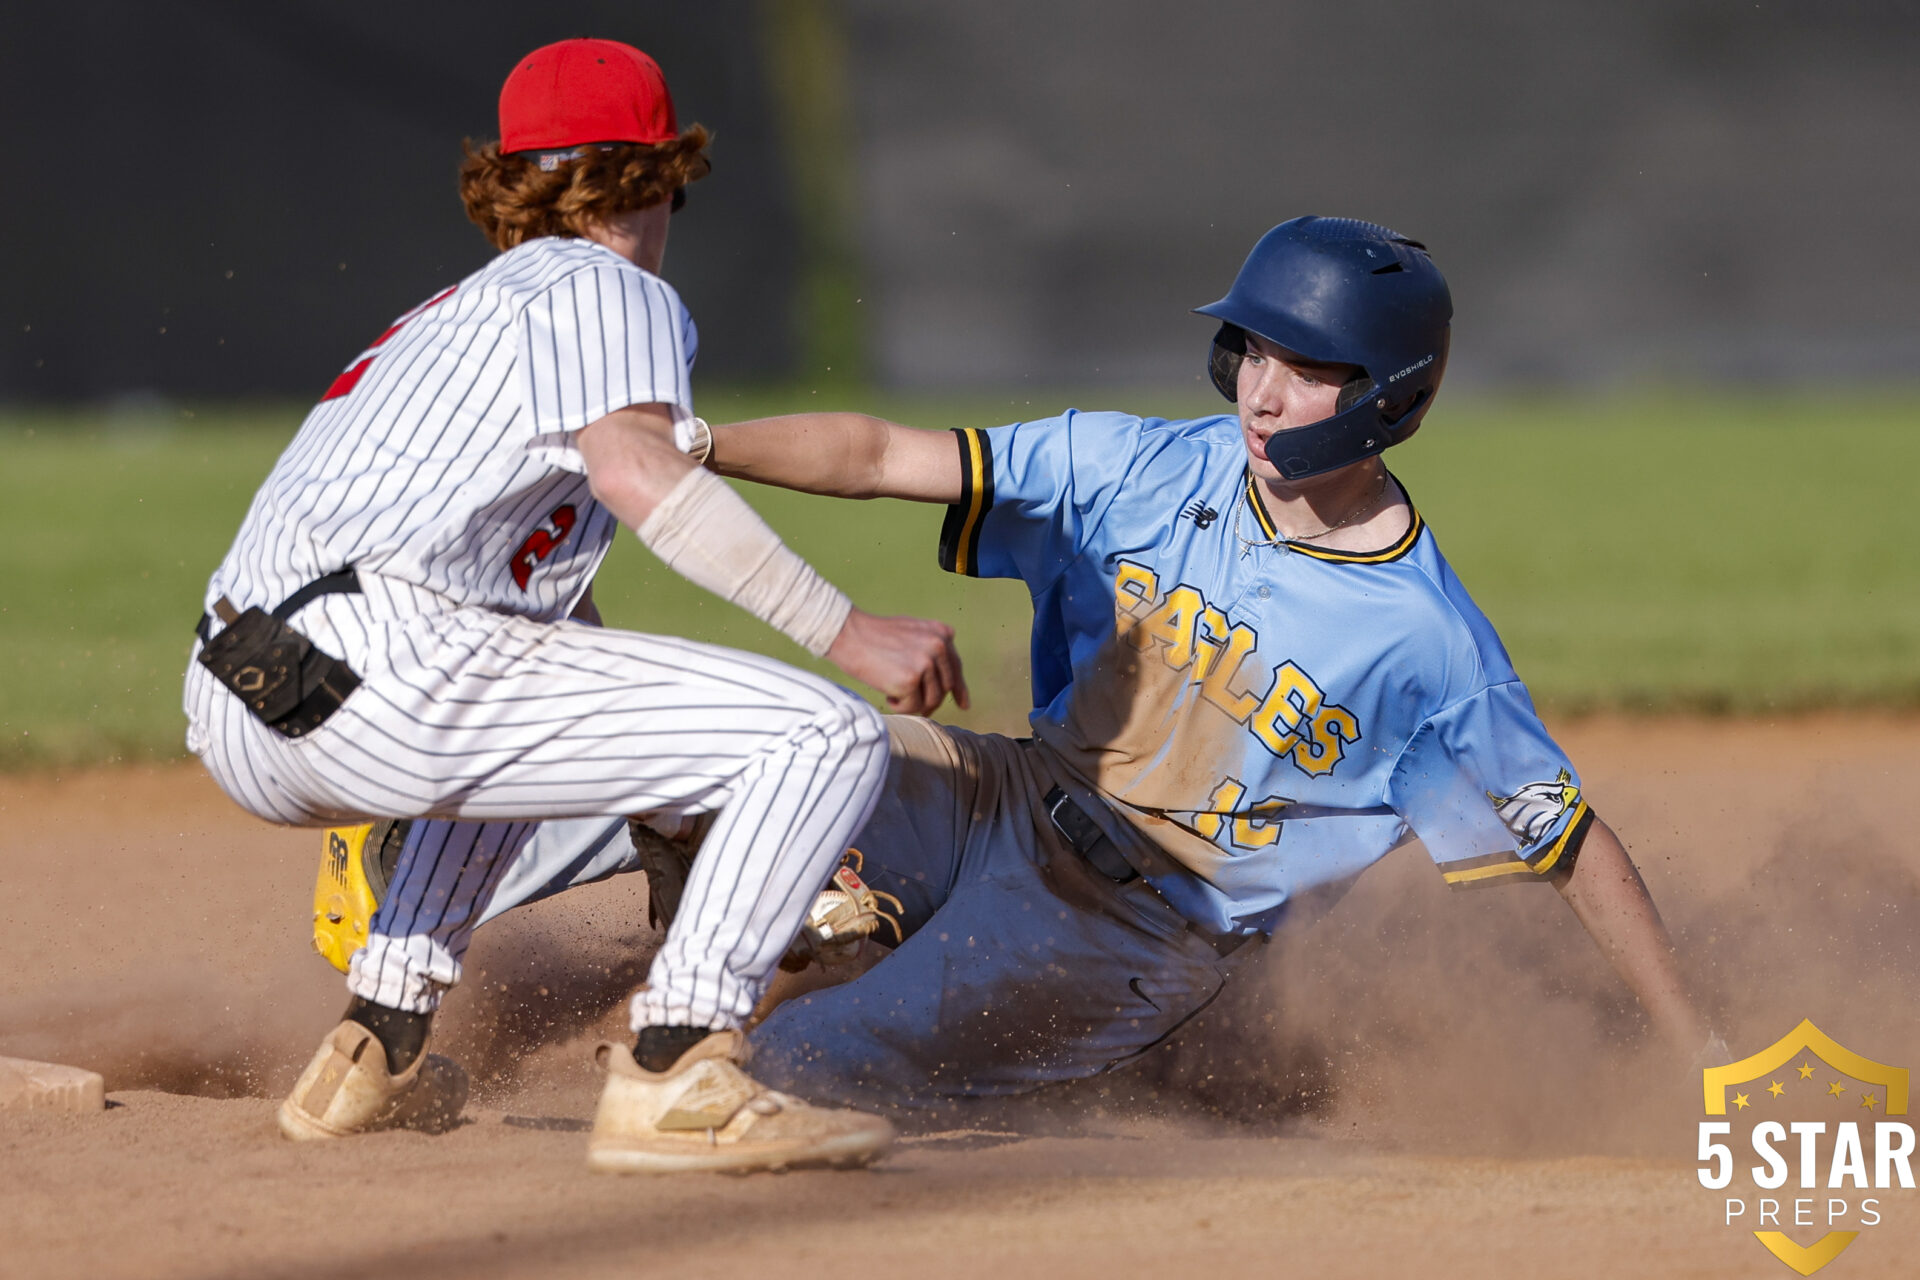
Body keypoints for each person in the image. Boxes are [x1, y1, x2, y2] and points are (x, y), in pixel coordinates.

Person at [316, 216, 1714, 1109]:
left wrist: (1688, 1042)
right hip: (998, 794)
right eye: (1250, 351)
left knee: (800, 1072)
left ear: (1389, 401)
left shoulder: (1424, 643)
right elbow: (877, 457)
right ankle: (487, 917)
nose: (1260, 391)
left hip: (1136, 929)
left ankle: (816, 970)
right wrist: (686, 449)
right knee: (772, 745)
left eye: (1307, 369)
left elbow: (1566, 839)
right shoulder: (1147, 466)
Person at [184, 37, 965, 1172]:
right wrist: (852, 632)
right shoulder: (611, 286)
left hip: (239, 701)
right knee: (823, 731)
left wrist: (661, 791)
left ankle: (376, 1043)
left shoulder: (451, 314)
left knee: (523, 667)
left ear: (511, 179)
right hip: (383, 661)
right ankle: (680, 1066)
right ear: (656, 175)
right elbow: (643, 475)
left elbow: (550, 639)